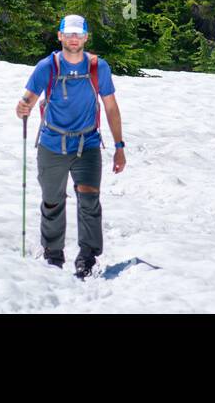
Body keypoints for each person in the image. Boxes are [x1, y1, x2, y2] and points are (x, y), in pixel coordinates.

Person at [15, 14, 126, 279]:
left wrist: (119, 146)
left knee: (89, 200)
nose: (74, 38)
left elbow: (111, 107)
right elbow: (28, 100)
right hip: (52, 144)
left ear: (86, 37)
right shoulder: (47, 67)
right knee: (52, 202)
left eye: (79, 34)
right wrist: (22, 108)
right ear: (60, 36)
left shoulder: (99, 67)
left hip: (87, 143)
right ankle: (53, 256)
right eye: (69, 33)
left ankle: (87, 257)